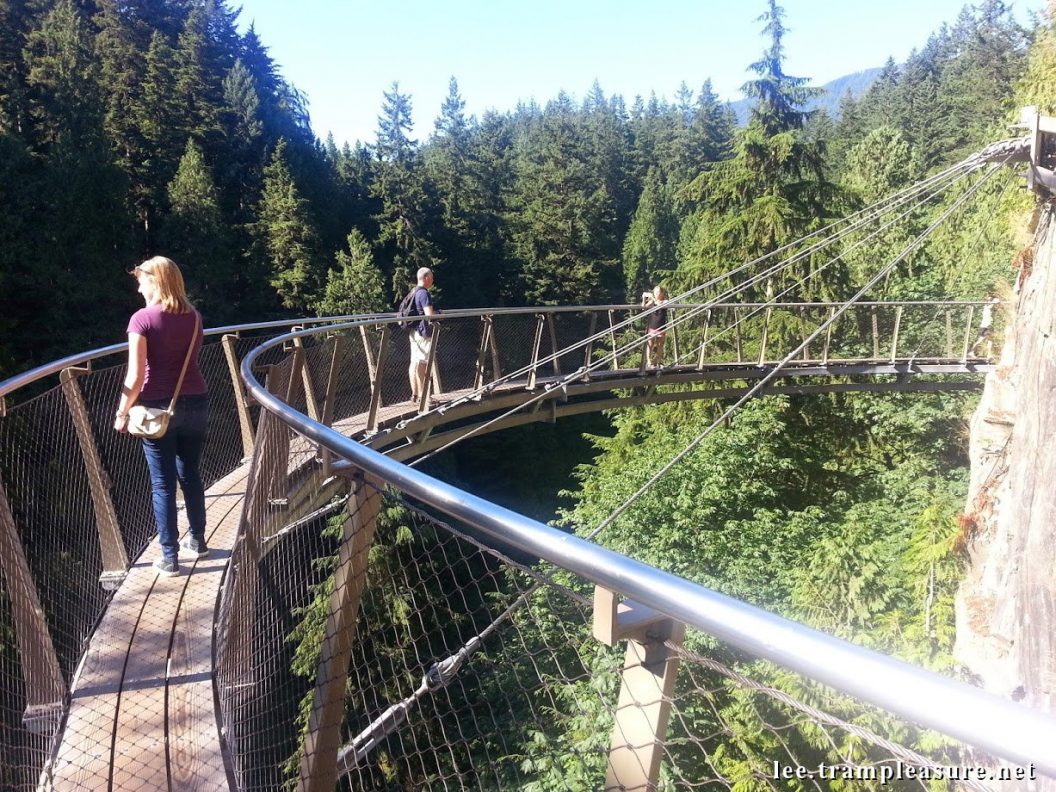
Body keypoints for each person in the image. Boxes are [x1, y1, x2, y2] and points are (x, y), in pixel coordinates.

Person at [114, 256, 209, 576]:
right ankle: (197, 541)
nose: (139, 289)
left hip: (157, 406)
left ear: (155, 281)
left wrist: (121, 412)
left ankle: (169, 557)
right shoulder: (194, 316)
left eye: (141, 281)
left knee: (162, 484)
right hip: (196, 401)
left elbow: (135, 376)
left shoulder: (141, 320)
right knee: (190, 473)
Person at [406, 267, 437, 405]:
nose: (432, 280)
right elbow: (429, 315)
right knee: (422, 363)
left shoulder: (413, 291)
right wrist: (439, 314)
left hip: (414, 332)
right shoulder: (424, 293)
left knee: (414, 362)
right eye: (431, 277)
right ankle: (424, 396)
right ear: (426, 278)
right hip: (423, 333)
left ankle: (415, 395)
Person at [641, 285, 668, 368]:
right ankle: (649, 362)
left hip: (661, 326)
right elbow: (643, 307)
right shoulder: (652, 301)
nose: (656, 294)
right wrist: (644, 298)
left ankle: (658, 362)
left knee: (660, 345)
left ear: (662, 293)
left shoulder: (665, 301)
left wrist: (653, 298)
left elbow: (663, 305)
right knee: (650, 344)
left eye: (658, 292)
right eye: (655, 292)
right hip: (652, 326)